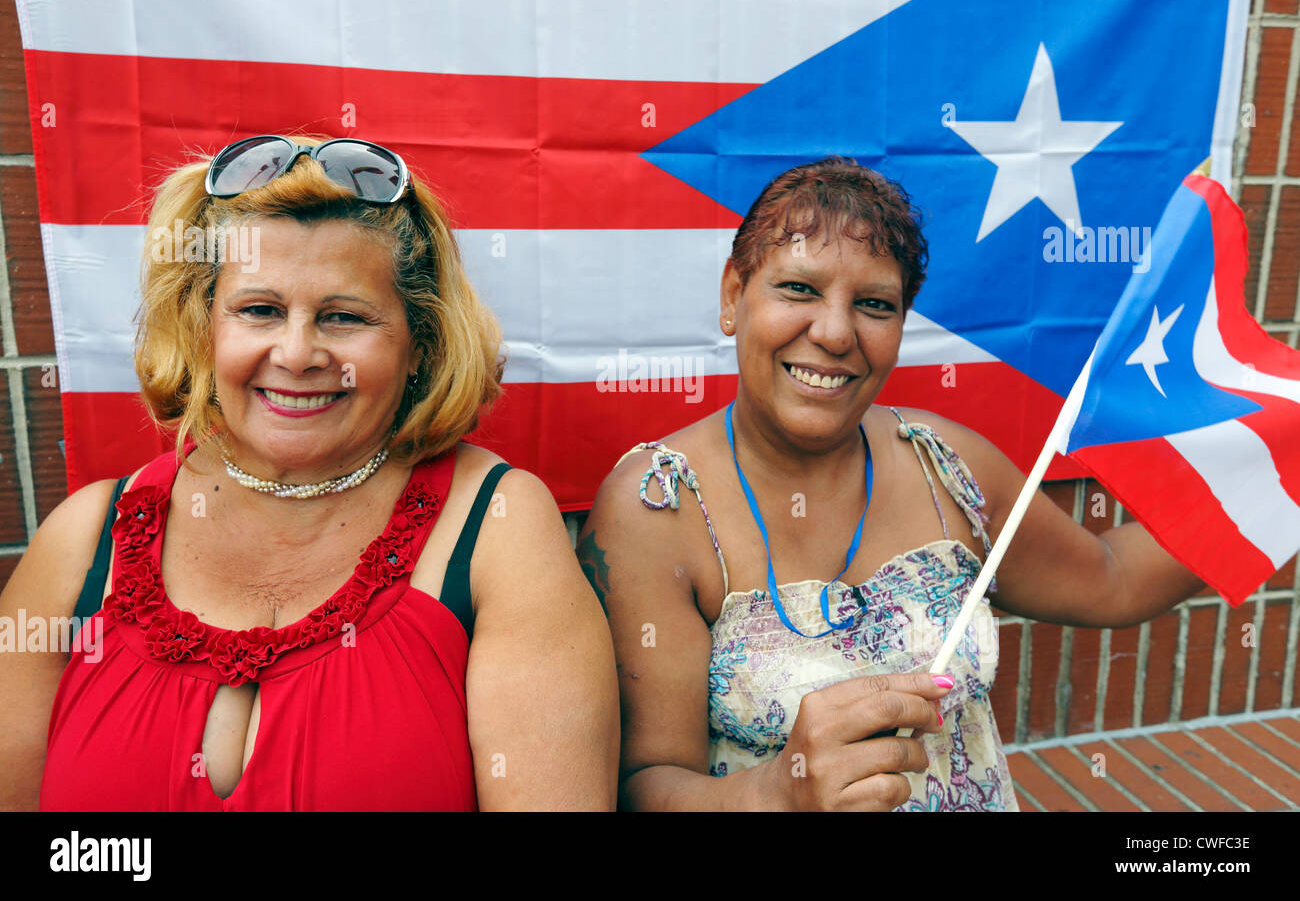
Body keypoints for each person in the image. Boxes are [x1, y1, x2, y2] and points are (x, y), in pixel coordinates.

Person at [0, 134, 618, 810]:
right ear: (204, 325)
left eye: (344, 317)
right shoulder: (86, 539)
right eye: (259, 310)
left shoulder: (497, 527)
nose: (296, 353)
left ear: (421, 344)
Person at [579, 156, 1206, 811]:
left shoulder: (947, 466)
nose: (833, 331)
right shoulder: (657, 508)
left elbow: (1111, 577)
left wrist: (1274, 486)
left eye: (874, 304)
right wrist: (774, 793)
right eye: (798, 289)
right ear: (734, 294)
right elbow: (643, 784)